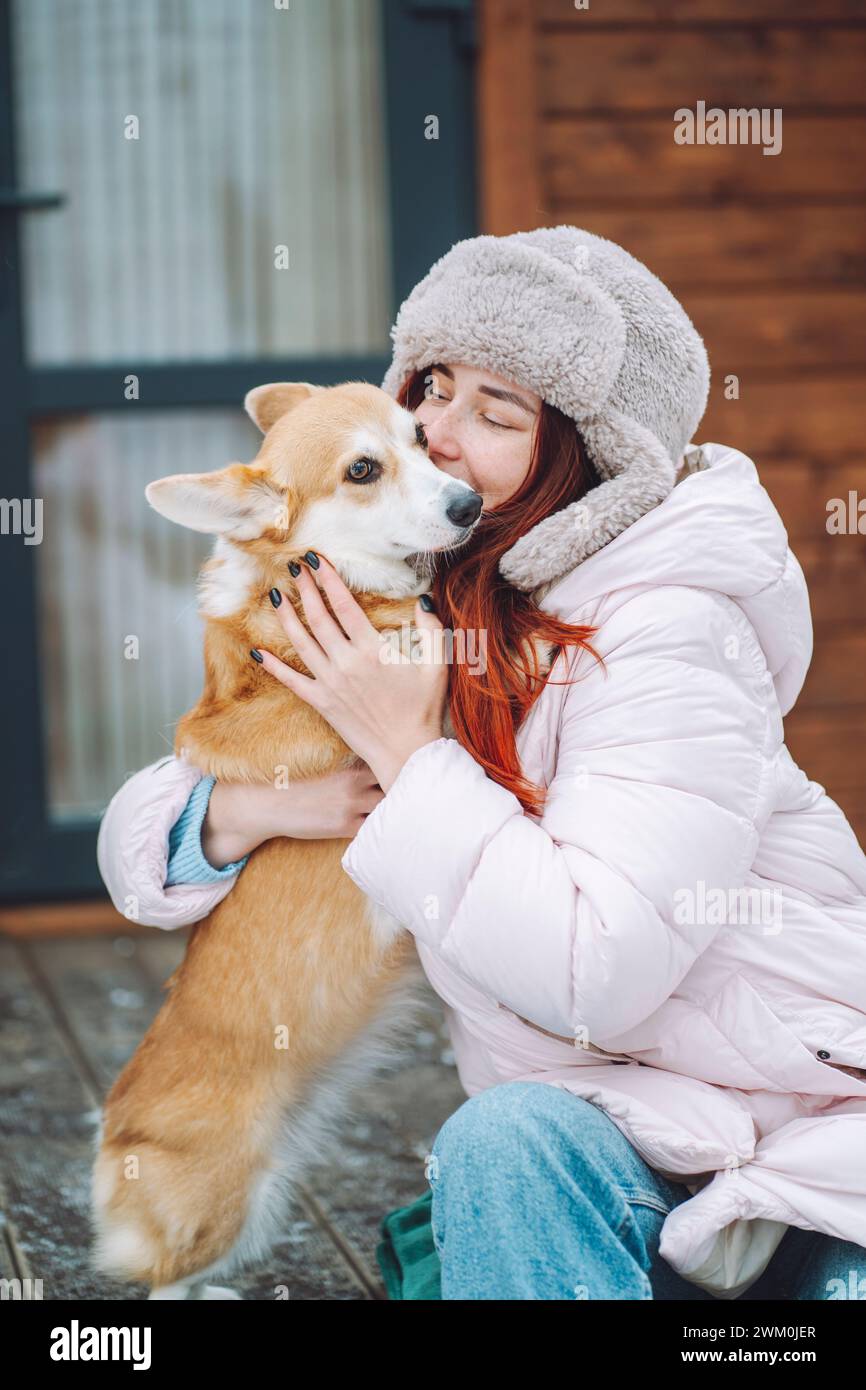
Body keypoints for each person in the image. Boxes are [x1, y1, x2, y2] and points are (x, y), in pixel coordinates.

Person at [98, 226, 866, 1301]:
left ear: (584, 457)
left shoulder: (667, 629)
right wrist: (255, 809)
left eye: (494, 410)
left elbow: (595, 972)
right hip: (591, 1127)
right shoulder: (437, 590)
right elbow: (143, 835)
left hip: (788, 1131)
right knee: (495, 1146)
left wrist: (408, 757)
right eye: (430, 384)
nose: (434, 430)